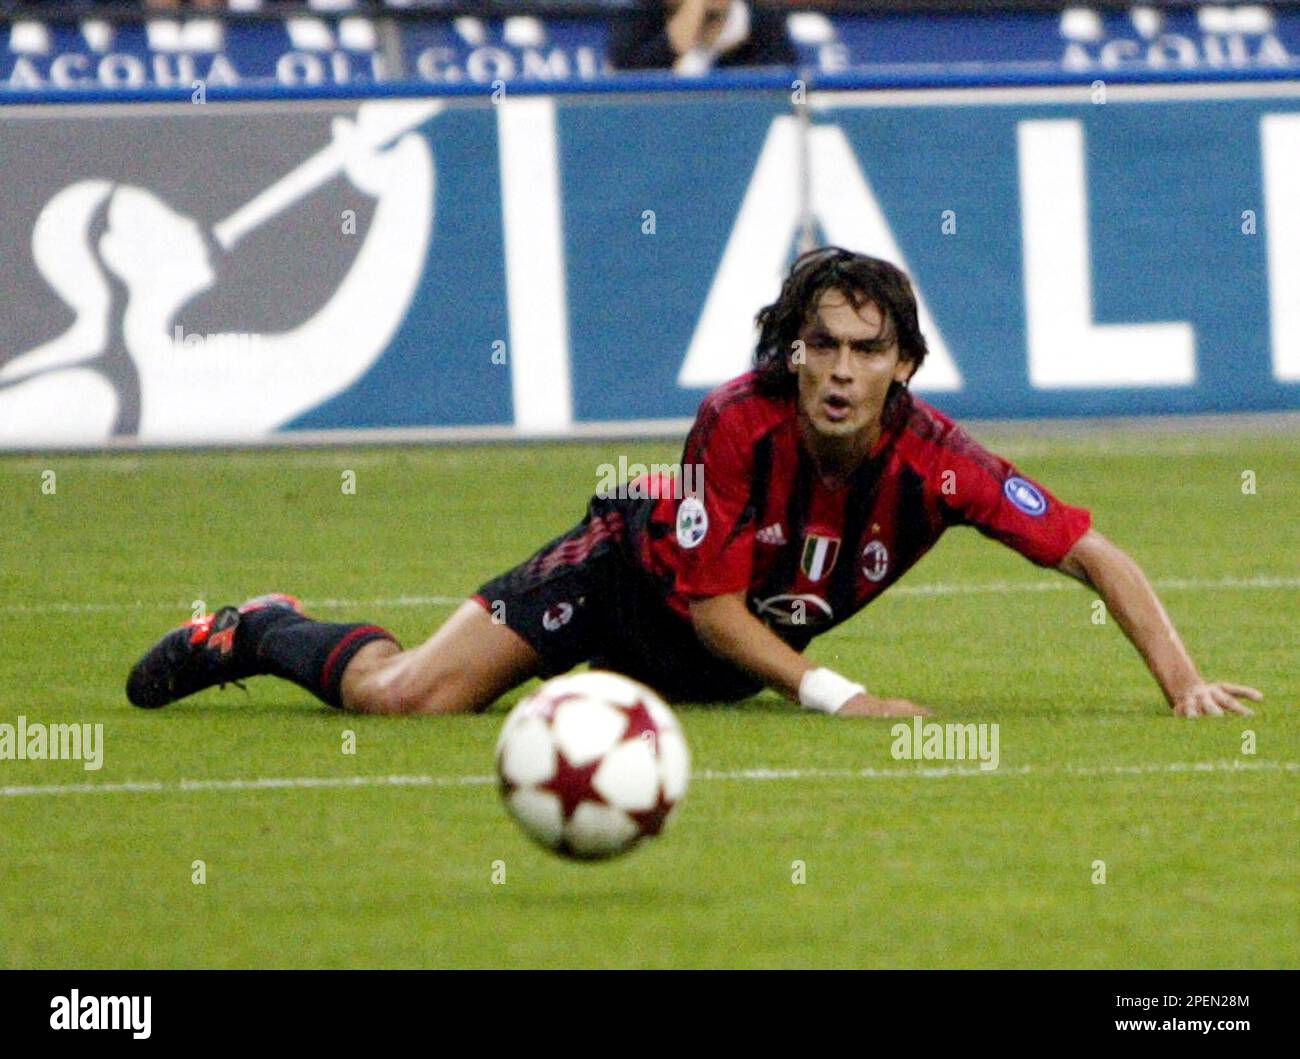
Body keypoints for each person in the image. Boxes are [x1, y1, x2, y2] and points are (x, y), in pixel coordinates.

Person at [126, 247, 1262, 720]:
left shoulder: (941, 465)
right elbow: (714, 604)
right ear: (793, 349)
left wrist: (1183, 683)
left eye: (868, 351)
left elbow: (1095, 554)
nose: (840, 370)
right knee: (407, 702)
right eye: (822, 344)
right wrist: (838, 697)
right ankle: (258, 628)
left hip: (724, 663)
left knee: (705, 705)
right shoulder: (734, 420)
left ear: (904, 366)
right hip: (629, 580)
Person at [609, 0, 797, 75]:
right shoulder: (639, 17)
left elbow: (794, 87)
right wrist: (692, 11)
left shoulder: (761, 24)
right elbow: (628, 83)